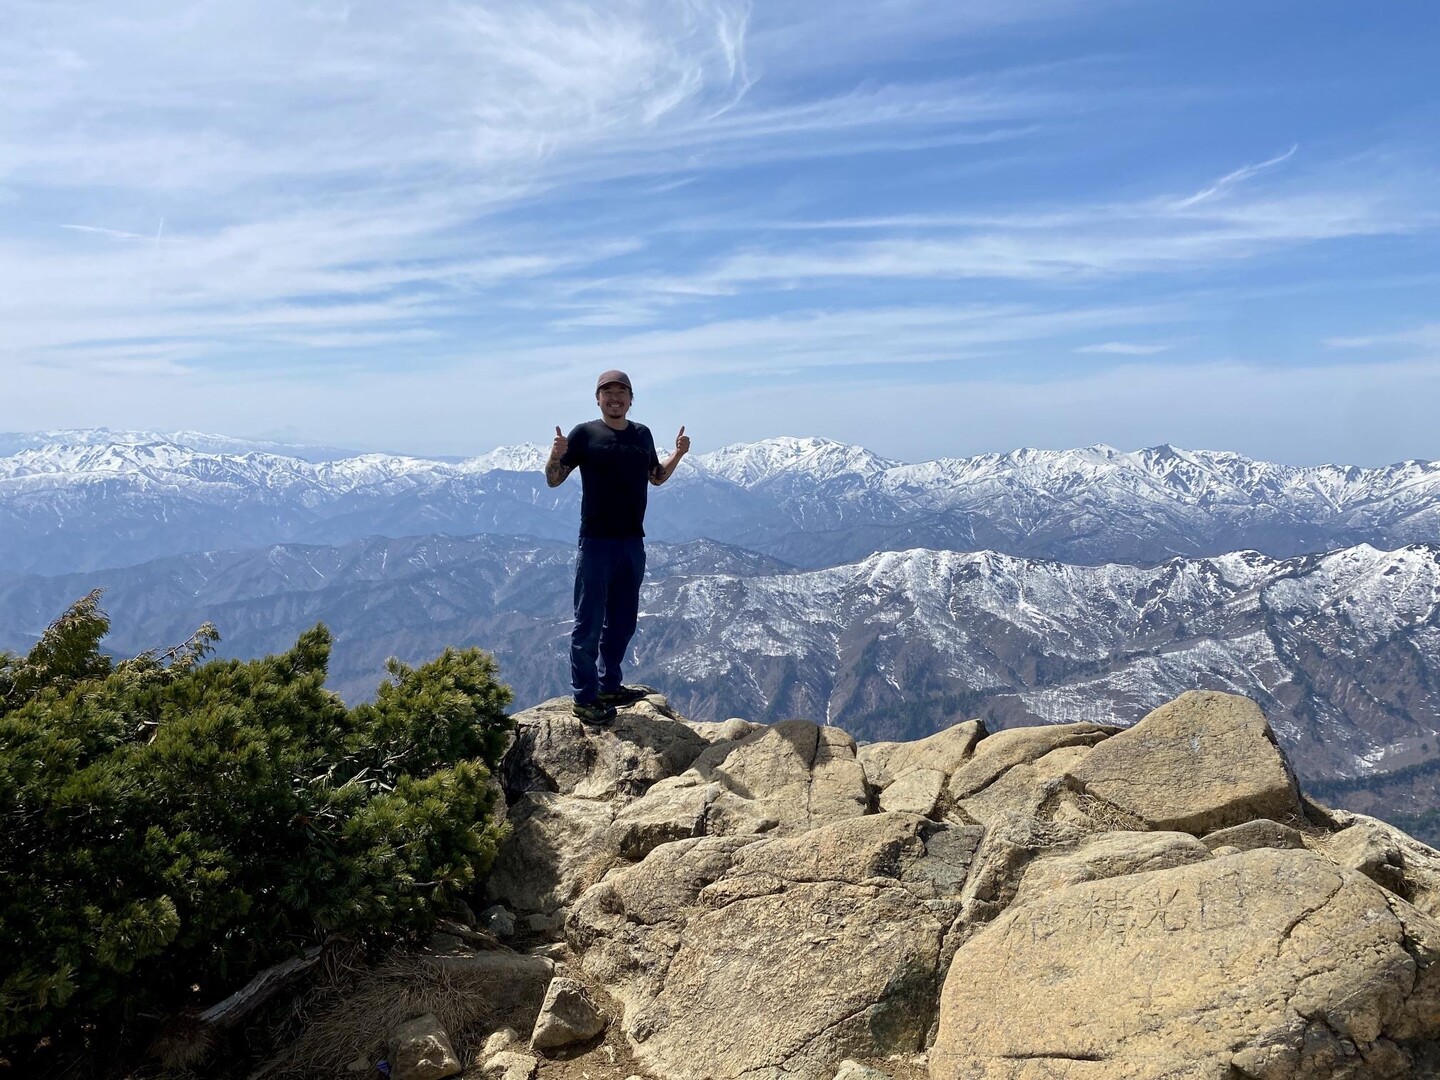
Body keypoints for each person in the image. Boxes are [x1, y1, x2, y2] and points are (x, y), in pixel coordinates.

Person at [545, 370, 689, 724]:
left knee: (622, 623)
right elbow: (554, 479)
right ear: (598, 398)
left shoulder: (642, 434)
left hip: (632, 542)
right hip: (595, 542)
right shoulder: (584, 434)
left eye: (621, 392)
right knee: (588, 622)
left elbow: (655, 476)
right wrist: (554, 455)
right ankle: (584, 697)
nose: (614, 398)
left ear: (631, 398)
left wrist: (679, 455)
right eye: (607, 392)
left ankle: (610, 685)